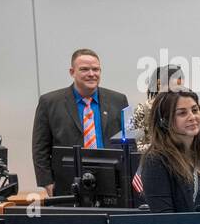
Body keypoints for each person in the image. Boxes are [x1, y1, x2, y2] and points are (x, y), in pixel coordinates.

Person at [31, 48, 129, 195]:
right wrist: (47, 183)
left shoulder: (119, 100)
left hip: (113, 182)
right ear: (72, 72)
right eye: (84, 69)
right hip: (68, 183)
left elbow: (129, 142)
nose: (91, 74)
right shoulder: (49, 102)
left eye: (96, 69)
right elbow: (40, 148)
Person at [137, 89, 200, 213]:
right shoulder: (155, 161)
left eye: (195, 110)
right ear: (164, 121)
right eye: (182, 113)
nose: (192, 117)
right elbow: (165, 220)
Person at [132, 64, 200, 147]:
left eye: (181, 86)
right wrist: (167, 146)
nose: (179, 91)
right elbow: (135, 145)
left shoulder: (187, 105)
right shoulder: (143, 109)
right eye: (174, 87)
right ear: (160, 84)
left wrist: (187, 139)